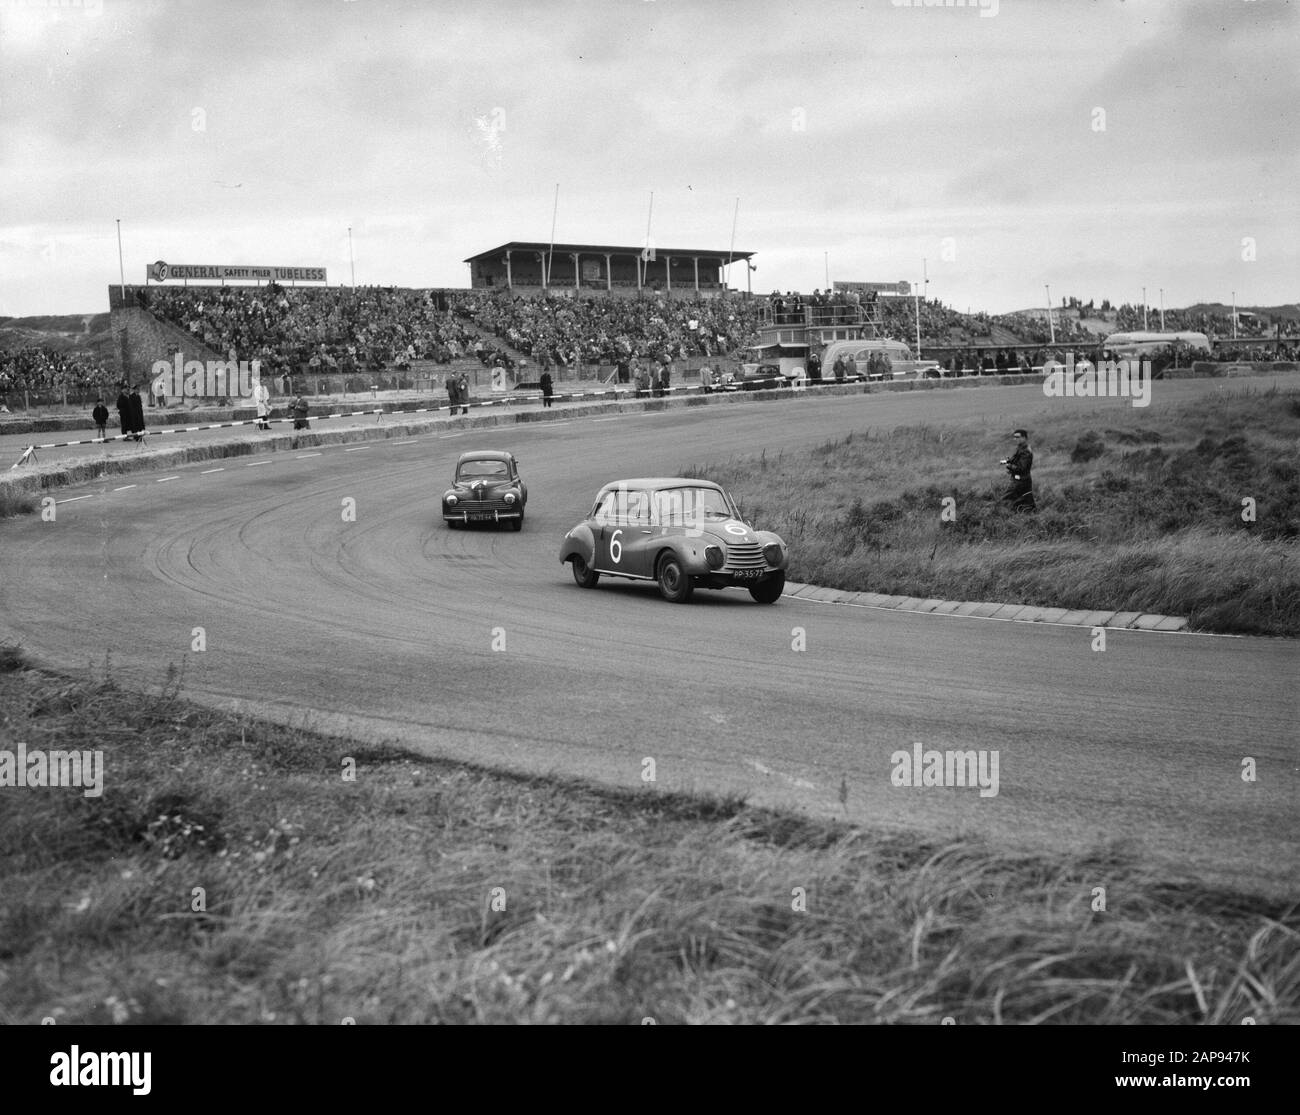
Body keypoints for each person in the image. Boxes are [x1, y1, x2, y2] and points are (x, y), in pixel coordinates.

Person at [1001, 429, 1036, 512]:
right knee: (1026, 500)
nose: (1015, 439)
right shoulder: (1021, 448)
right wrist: (1008, 461)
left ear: (1024, 438)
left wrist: (1009, 466)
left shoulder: (1026, 451)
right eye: (1014, 437)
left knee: (1005, 499)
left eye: (1017, 437)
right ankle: (1027, 515)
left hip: (1020, 480)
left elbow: (1021, 468)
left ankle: (1003, 515)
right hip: (1023, 479)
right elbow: (1015, 459)